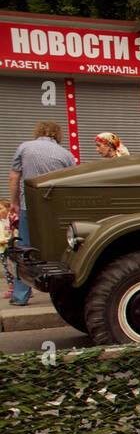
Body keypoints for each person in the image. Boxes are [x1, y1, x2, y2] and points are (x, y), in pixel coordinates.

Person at [8, 121, 76, 305]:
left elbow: (14, 176)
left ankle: (20, 295)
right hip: (55, 210)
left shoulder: (25, 147)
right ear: (58, 134)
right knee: (59, 248)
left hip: (28, 205)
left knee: (25, 248)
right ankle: (63, 293)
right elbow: (72, 181)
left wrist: (14, 202)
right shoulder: (66, 154)